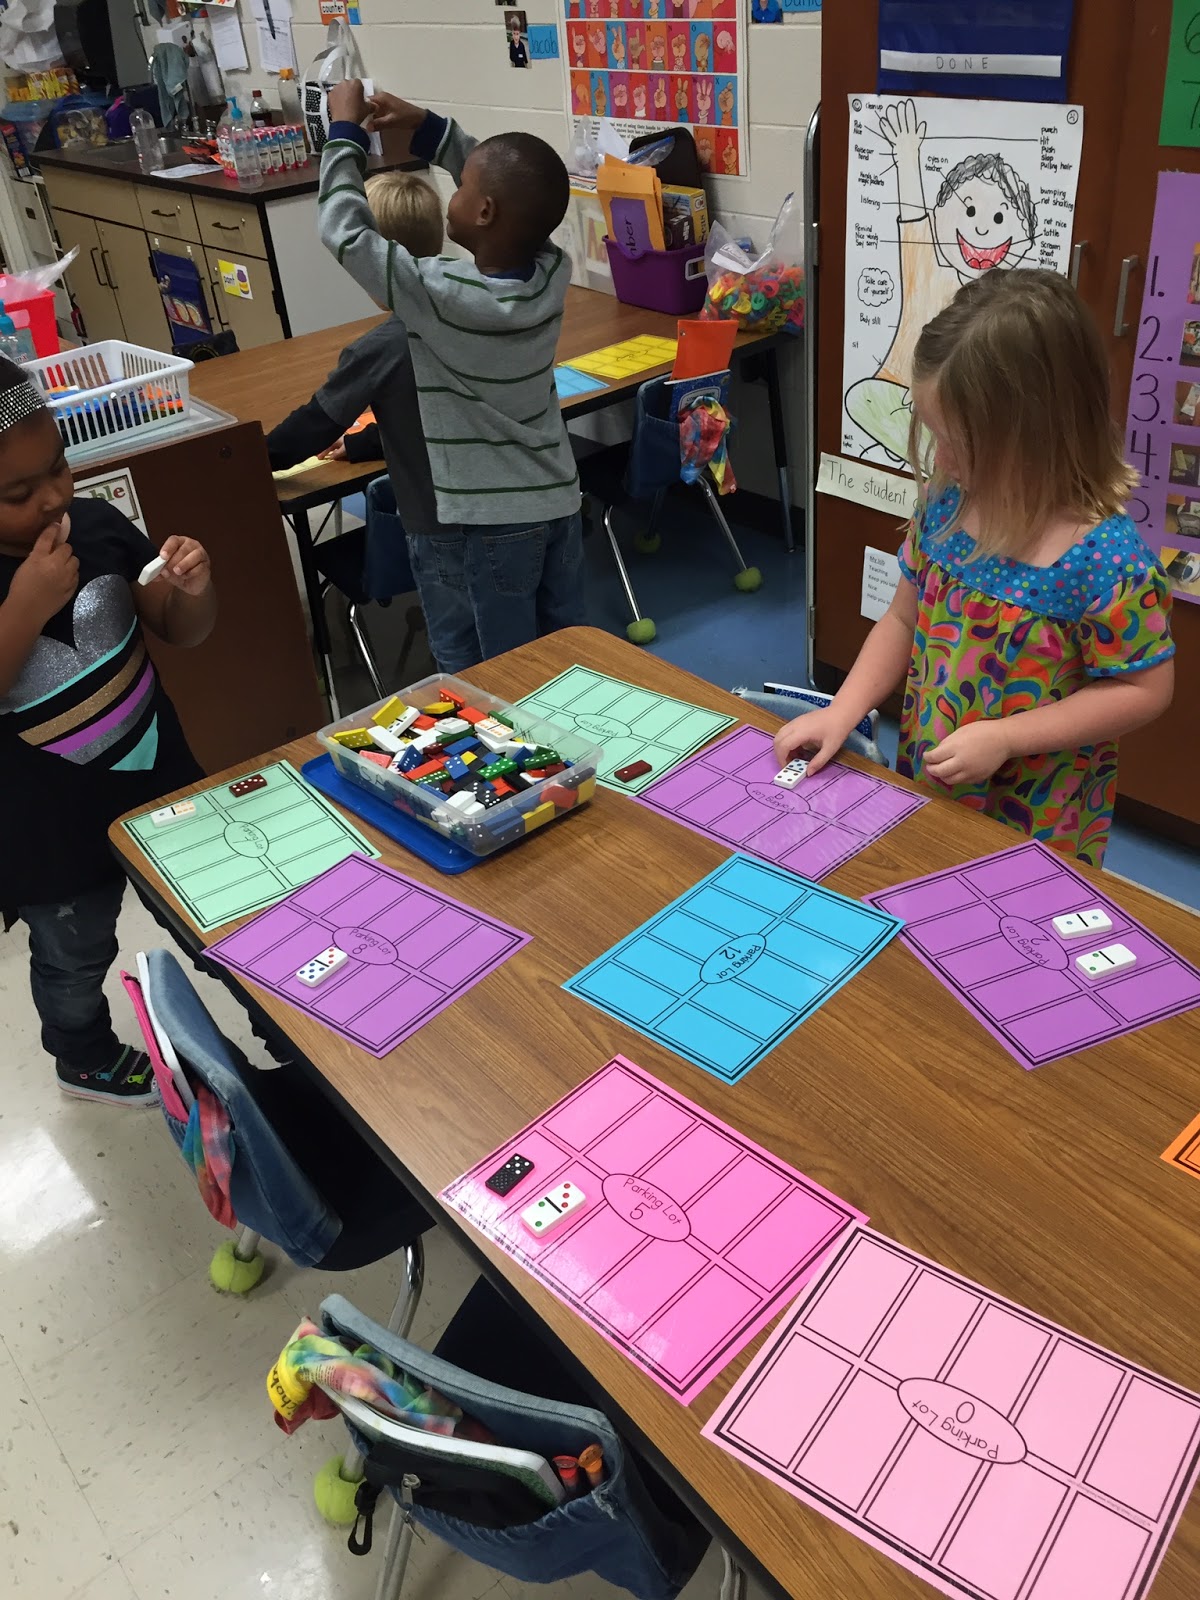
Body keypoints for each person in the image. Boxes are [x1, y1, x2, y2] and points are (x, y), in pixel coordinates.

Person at [774, 270, 1175, 868]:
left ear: (1042, 434)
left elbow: (1143, 688)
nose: (946, 461)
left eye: (964, 442)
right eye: (938, 437)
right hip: (936, 775)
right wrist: (844, 708)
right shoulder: (945, 507)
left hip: (1037, 812)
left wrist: (1008, 737)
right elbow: (903, 621)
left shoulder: (1106, 561)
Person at [0, 358, 216, 1103]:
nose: (54, 496)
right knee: (73, 950)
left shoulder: (95, 524)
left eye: (57, 467)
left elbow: (180, 630)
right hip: (48, 839)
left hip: (160, 781)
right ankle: (82, 1055)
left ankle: (269, 1009)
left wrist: (192, 589)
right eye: (18, 494)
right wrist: (26, 605)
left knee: (211, 904)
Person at [320, 81, 585, 674]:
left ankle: (520, 763)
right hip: (557, 503)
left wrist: (344, 135)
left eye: (461, 188)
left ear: (484, 211)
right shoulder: (552, 272)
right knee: (566, 657)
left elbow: (346, 233)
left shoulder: (437, 294)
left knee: (496, 676)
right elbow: (517, 190)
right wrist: (429, 129)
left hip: (488, 525)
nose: (454, 191)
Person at [265, 170, 443, 526]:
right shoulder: (471, 308)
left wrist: (244, 459)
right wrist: (367, 443)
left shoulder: (380, 349)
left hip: (441, 528)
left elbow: (314, 427)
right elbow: (436, 416)